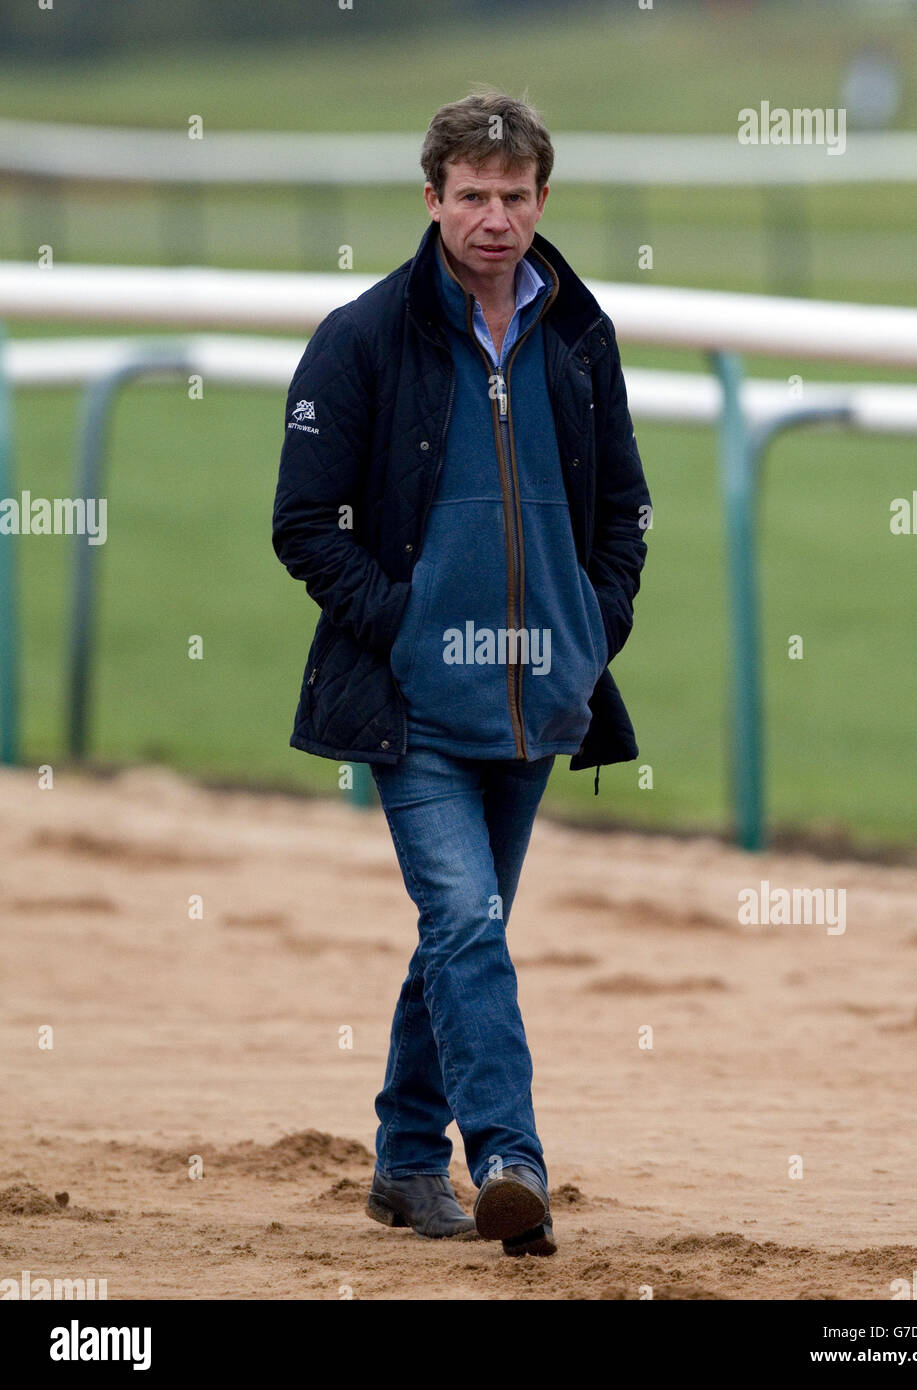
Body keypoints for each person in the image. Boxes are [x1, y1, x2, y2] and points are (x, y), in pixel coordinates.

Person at [272, 91, 651, 1257]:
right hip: (412, 708)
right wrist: (410, 627)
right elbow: (305, 524)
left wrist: (591, 629)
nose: (495, 217)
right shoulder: (360, 334)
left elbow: (624, 512)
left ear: (541, 199)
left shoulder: (579, 332)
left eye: (515, 195)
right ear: (431, 197)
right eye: (473, 195)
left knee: (458, 931)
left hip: (541, 701)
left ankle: (398, 1160)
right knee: (468, 922)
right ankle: (508, 1158)